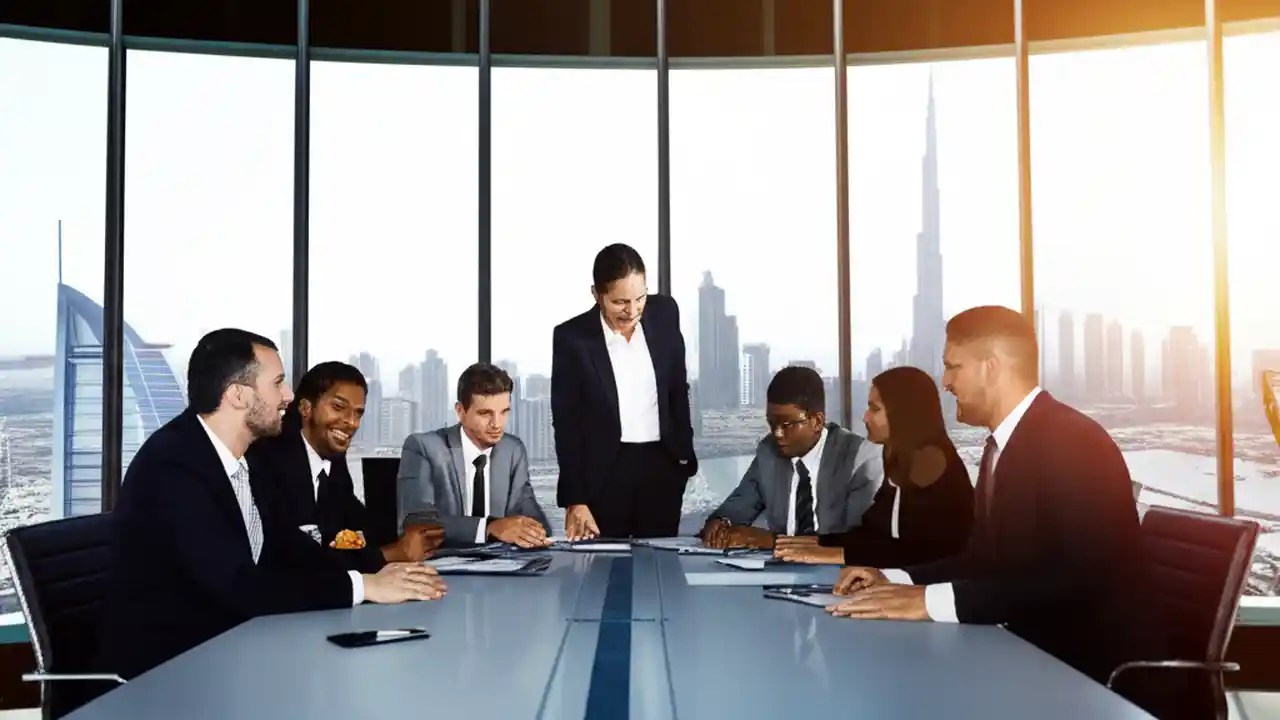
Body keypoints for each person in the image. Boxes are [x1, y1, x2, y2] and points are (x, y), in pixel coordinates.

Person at [826, 306, 1148, 687]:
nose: (945, 382)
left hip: (1082, 676)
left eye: (953, 367)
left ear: (991, 367)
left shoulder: (1073, 442)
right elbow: (981, 560)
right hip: (1022, 656)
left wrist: (929, 602)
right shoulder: (1004, 447)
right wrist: (894, 578)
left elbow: (1072, 579)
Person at [99, 329, 445, 680]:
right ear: (238, 395)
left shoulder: (241, 461)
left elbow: (288, 544)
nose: (289, 396)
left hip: (235, 648)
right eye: (278, 383)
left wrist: (374, 575)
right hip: (170, 673)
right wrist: (362, 586)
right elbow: (240, 587)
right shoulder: (174, 466)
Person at [552, 243, 697, 539]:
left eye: (640, 298)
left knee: (661, 568)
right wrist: (575, 498)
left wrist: (682, 457)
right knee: (605, 574)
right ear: (597, 294)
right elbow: (567, 423)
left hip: (662, 468)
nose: (632, 311)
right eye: (620, 302)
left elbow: (677, 389)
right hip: (604, 473)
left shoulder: (665, 313)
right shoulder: (572, 339)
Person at [247, 361, 444, 573]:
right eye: (338, 407)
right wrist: (388, 555)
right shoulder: (268, 457)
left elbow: (357, 521)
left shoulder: (332, 457)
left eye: (358, 413)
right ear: (306, 408)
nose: (352, 423)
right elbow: (291, 557)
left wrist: (408, 537)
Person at [773, 366, 973, 565]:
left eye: (875, 409)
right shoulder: (900, 459)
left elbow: (922, 551)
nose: (865, 417)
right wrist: (816, 543)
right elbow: (873, 532)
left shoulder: (930, 460)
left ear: (904, 412)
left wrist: (836, 555)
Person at [699, 366, 882, 550]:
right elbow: (735, 509)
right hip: (780, 574)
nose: (777, 433)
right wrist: (720, 524)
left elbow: (861, 541)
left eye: (787, 424)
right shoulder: (768, 453)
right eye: (772, 423)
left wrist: (774, 541)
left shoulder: (859, 457)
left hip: (842, 574)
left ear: (817, 422)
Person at [397, 363, 550, 548]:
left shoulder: (512, 450)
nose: (497, 424)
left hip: (501, 567)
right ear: (460, 411)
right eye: (485, 413)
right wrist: (488, 528)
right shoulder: (424, 448)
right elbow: (417, 524)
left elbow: (532, 515)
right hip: (443, 566)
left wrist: (534, 531)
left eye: (504, 412)